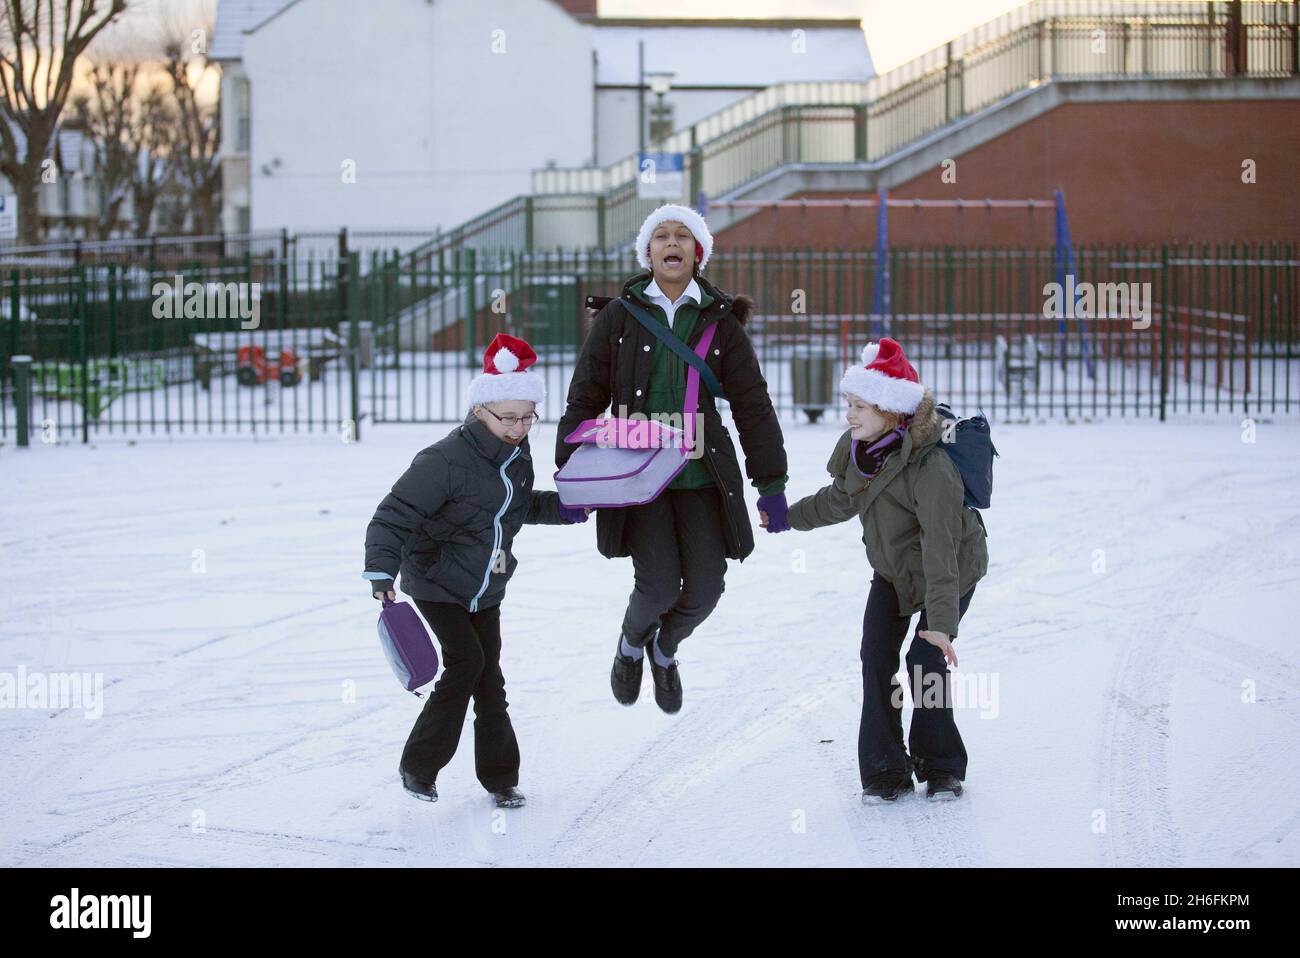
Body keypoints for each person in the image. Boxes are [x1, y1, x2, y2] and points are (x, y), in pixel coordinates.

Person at [556, 204, 789, 714]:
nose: (672, 242)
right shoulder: (620, 316)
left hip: (702, 472)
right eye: (661, 235)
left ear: (697, 252)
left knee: (706, 587)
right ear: (648, 252)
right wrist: (574, 478)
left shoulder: (719, 320)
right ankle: (629, 646)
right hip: (639, 476)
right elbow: (584, 398)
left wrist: (771, 482)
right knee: (658, 584)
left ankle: (664, 650)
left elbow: (751, 401)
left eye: (683, 235)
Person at [363, 332, 590, 807]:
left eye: (529, 417)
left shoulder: (515, 454)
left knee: (491, 679)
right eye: (508, 417)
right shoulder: (443, 460)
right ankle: (418, 767)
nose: (519, 427)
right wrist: (381, 574)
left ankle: (500, 778)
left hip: (486, 586)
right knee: (466, 663)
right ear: (479, 410)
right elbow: (394, 514)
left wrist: (565, 508)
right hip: (436, 580)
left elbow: (514, 506)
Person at [769, 338, 988, 802]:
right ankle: (886, 771)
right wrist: (790, 516)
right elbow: (839, 500)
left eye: (860, 406)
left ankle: (942, 766)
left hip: (948, 570)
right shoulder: (862, 451)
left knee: (925, 661)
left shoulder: (932, 469)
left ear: (890, 410)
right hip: (892, 572)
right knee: (876, 656)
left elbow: (942, 548)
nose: (849, 415)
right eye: (849, 404)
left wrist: (942, 626)